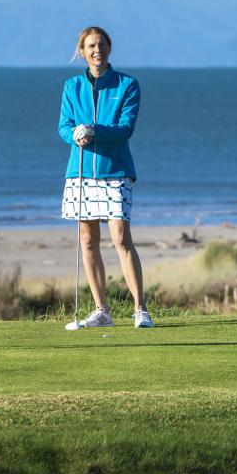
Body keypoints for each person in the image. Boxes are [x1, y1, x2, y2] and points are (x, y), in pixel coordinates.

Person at [59, 26, 153, 328]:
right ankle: (102, 311)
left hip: (115, 170)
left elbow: (125, 128)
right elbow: (63, 126)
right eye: (90, 46)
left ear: (109, 48)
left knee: (121, 239)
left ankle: (140, 309)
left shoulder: (127, 84)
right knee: (87, 240)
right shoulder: (72, 86)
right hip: (81, 170)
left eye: (101, 44)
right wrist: (75, 134)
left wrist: (95, 130)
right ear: (82, 52)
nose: (96, 50)